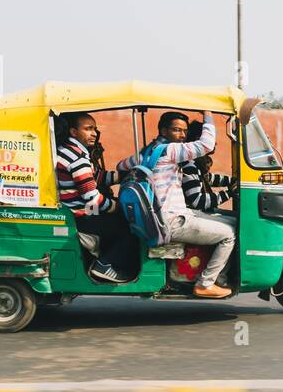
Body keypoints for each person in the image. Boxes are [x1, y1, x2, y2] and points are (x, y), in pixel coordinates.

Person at [117, 111, 235, 299]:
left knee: (234, 222)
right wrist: (208, 114)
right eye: (176, 130)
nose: (181, 135)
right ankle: (207, 283)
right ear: (164, 131)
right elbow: (206, 145)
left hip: (168, 215)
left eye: (184, 131)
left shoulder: (148, 151)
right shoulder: (169, 150)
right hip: (173, 220)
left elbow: (121, 166)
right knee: (230, 234)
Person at [55, 112, 135, 284]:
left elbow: (97, 177)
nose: (94, 134)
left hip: (79, 212)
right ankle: (103, 266)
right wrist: (119, 207)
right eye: (88, 129)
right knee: (130, 228)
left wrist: (125, 175)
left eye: (95, 129)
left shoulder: (71, 151)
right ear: (73, 132)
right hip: (81, 216)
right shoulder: (77, 158)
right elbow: (93, 199)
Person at [180, 121, 235, 214]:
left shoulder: (196, 163)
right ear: (200, 140)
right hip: (193, 213)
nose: (215, 143)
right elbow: (196, 202)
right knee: (235, 225)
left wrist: (232, 181)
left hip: (198, 211)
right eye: (211, 139)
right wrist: (229, 193)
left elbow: (208, 178)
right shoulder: (189, 166)